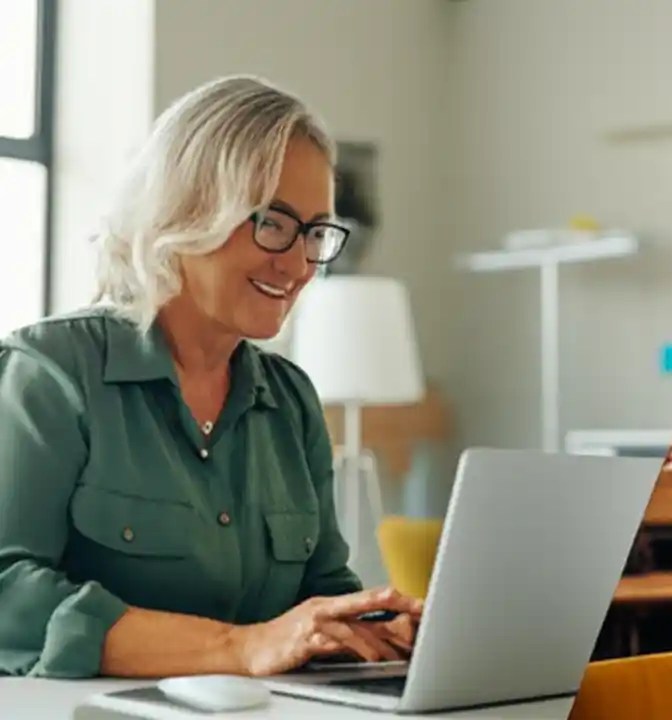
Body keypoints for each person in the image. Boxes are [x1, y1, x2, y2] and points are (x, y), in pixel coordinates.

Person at [0, 75, 422, 680]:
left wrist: (379, 629)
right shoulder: (49, 375)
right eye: (273, 223)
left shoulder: (292, 402)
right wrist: (238, 647)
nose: (299, 263)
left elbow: (321, 595)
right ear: (187, 209)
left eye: (315, 233)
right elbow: (7, 593)